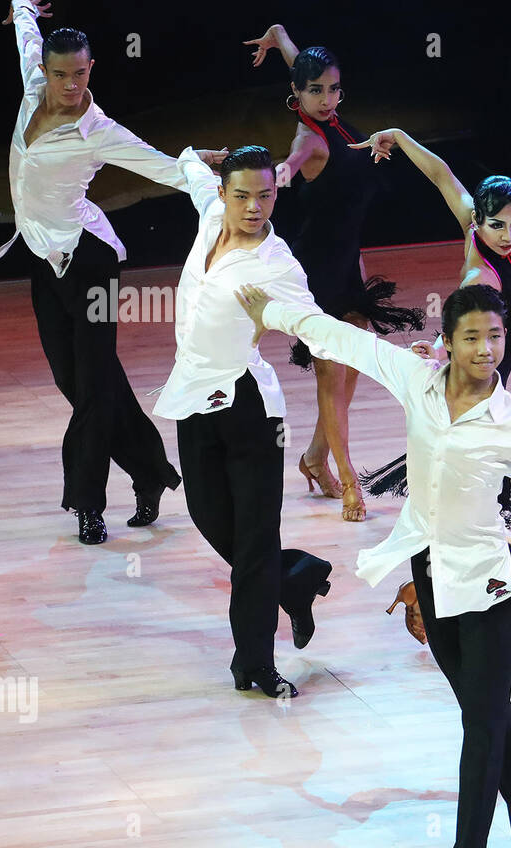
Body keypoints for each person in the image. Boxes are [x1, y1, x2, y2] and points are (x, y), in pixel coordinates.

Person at [237, 281, 511, 848]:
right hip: (431, 576)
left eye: (495, 336)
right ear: (448, 343)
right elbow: (345, 341)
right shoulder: (419, 381)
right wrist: (272, 311)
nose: (487, 349)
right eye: (472, 338)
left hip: (489, 584)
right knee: (487, 715)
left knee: (481, 725)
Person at [0, 2, 223, 544]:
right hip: (43, 259)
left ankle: (88, 505)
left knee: (93, 389)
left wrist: (196, 166)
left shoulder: (98, 130)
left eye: (81, 73)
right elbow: (26, 37)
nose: (71, 84)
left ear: (92, 69)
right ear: (46, 71)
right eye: (61, 73)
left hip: (90, 263)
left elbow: (162, 167)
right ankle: (152, 473)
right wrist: (23, 8)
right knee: (79, 382)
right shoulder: (32, 89)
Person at [353, 129, 511, 658]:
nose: (509, 235)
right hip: (478, 401)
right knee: (492, 506)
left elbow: (440, 172)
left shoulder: (474, 226)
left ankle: (423, 591)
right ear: (480, 223)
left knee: (471, 505)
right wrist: (436, 348)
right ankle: (498, 623)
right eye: (498, 225)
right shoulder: (481, 271)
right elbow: (462, 312)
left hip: (492, 391)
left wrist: (401, 138)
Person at [154, 145, 336, 699]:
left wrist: (402, 358)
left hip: (250, 409)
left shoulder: (277, 263)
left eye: (265, 195)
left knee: (254, 542)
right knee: (210, 516)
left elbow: (319, 329)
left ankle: (255, 663)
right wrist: (189, 153)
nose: (255, 207)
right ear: (223, 193)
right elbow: (189, 171)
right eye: (242, 196)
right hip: (191, 397)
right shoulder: (211, 215)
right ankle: (295, 579)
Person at [244, 26, 424, 522]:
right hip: (317, 275)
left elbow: (300, 60)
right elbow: (288, 164)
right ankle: (348, 483)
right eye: (316, 91)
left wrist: (280, 40)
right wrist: (272, 179)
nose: (327, 98)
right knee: (332, 374)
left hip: (347, 263)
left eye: (333, 89)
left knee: (353, 365)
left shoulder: (334, 119)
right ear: (296, 95)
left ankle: (313, 457)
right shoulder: (308, 140)